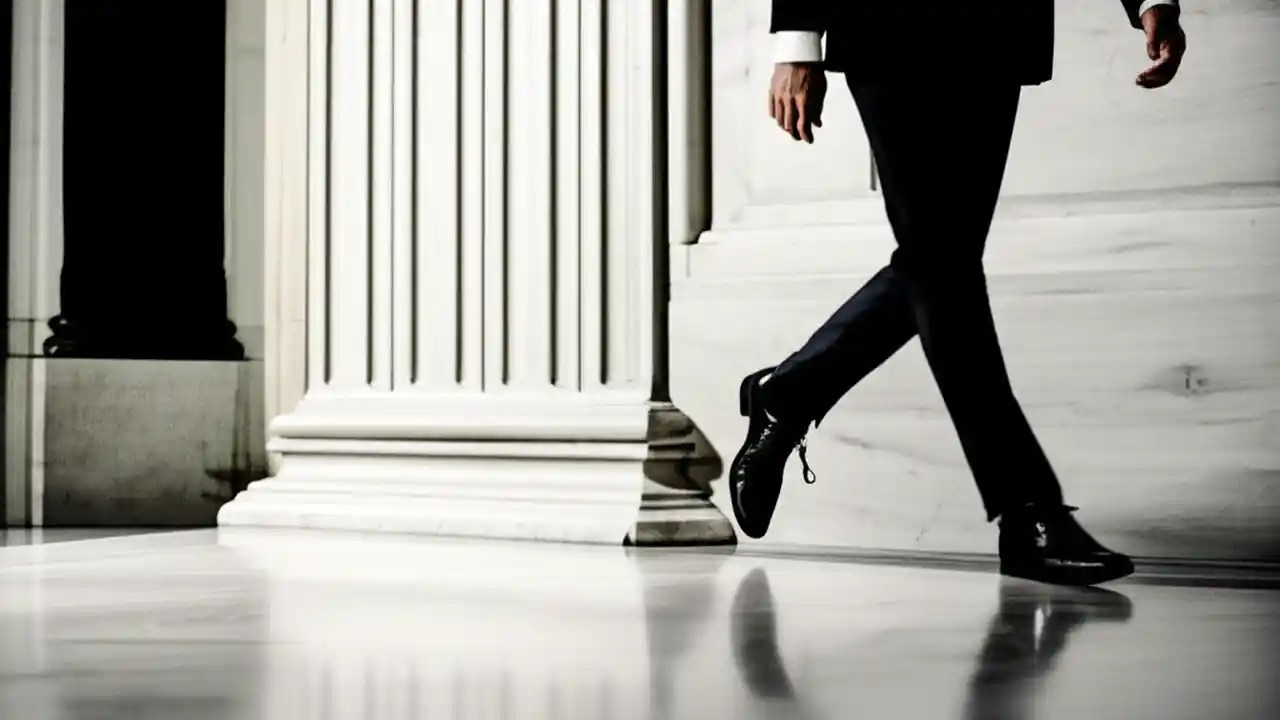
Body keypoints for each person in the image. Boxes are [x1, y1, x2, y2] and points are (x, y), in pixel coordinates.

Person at [729, 1, 1188, 586]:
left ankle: (789, 393)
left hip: (996, 25)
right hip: (887, 26)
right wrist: (797, 40)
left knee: (939, 263)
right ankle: (1027, 511)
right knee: (942, 264)